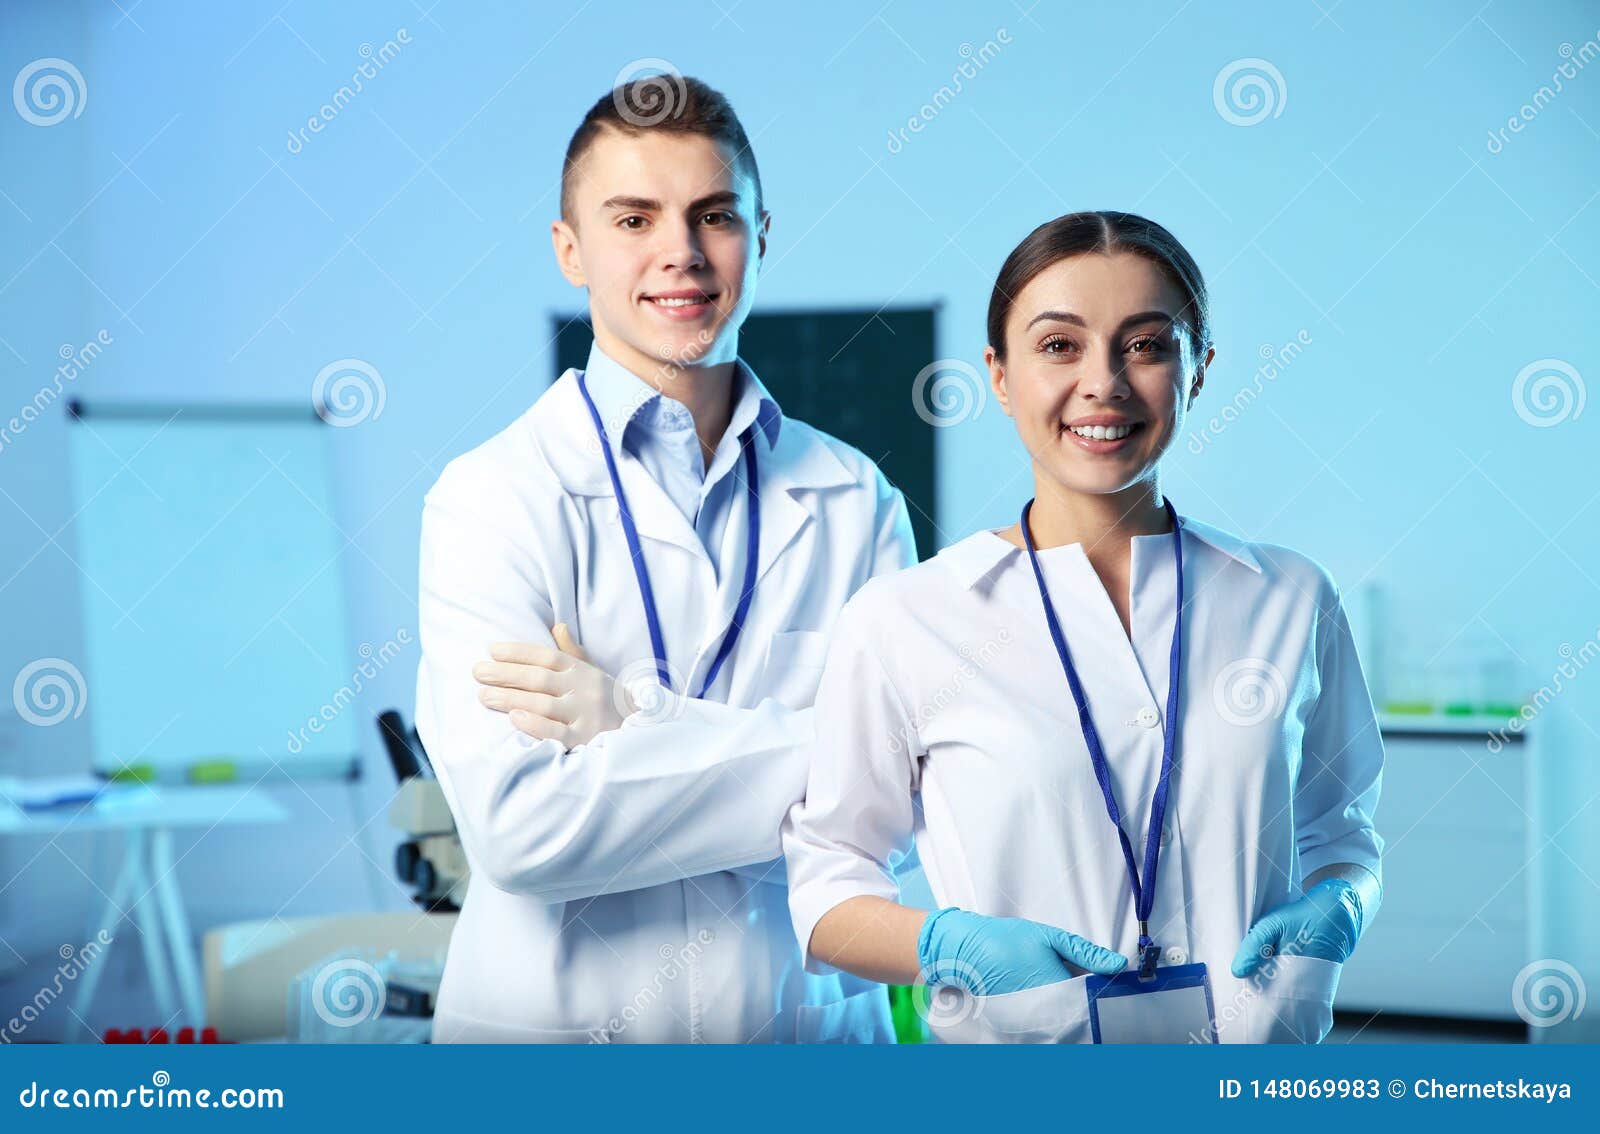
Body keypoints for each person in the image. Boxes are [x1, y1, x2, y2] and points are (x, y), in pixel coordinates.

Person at [781, 211, 1384, 1044]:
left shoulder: (1289, 599)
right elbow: (823, 891)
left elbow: (1344, 832)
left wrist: (1346, 899)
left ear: (1199, 369)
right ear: (998, 375)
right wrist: (940, 942)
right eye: (1059, 345)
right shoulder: (906, 621)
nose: (1104, 382)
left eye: (1146, 344)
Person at [415, 75, 915, 1043]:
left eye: (714, 216)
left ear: (760, 238)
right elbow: (522, 832)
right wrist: (827, 752)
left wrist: (628, 719)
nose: (679, 254)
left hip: (798, 1037)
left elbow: (904, 805)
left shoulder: (854, 498)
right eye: (633, 218)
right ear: (570, 250)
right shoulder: (492, 497)